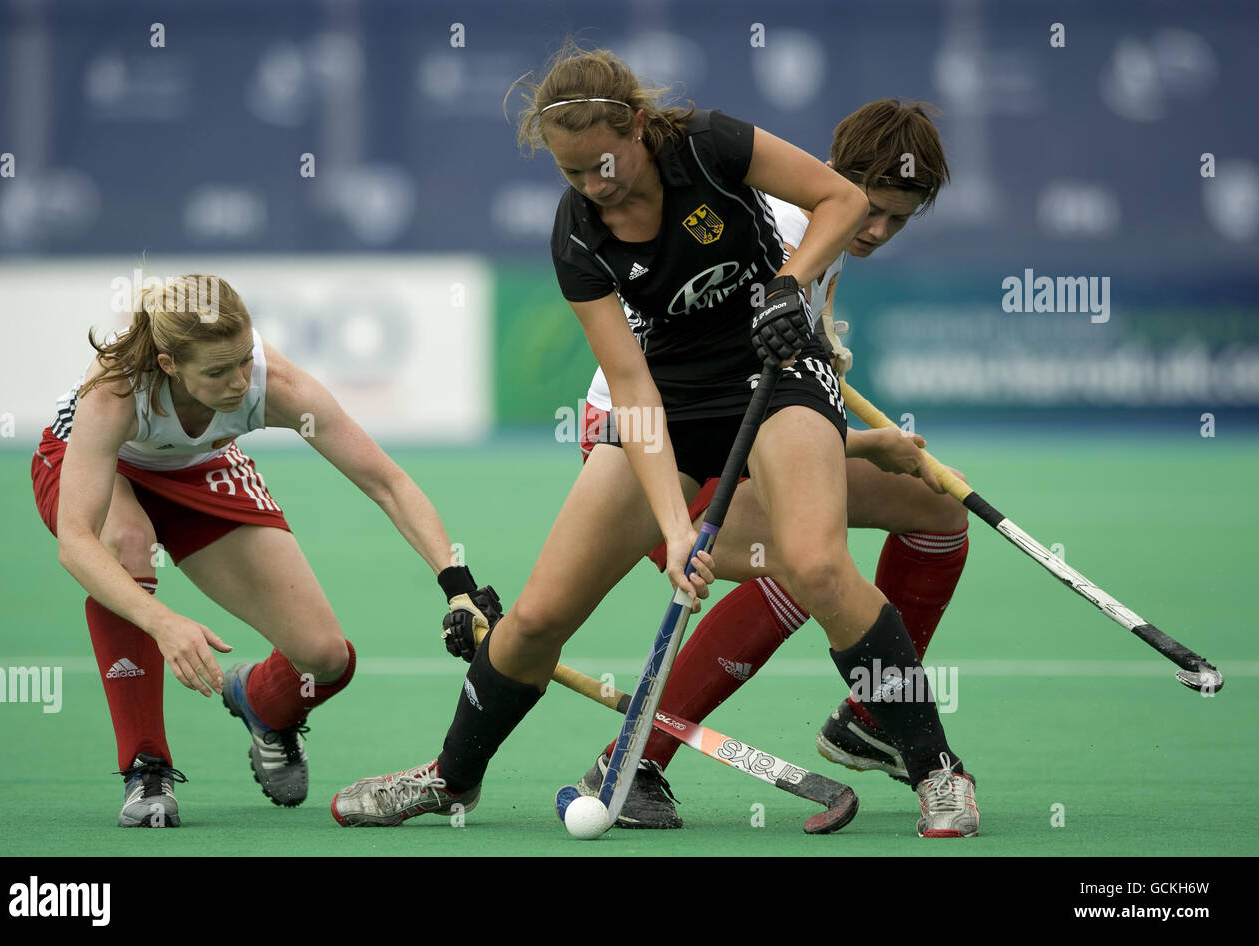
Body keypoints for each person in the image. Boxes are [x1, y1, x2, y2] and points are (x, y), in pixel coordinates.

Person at [332, 45, 977, 838]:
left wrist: (787, 284)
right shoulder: (579, 237)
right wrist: (676, 527)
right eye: (573, 175)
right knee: (535, 619)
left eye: (603, 164)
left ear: (637, 127)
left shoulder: (709, 146)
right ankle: (450, 779)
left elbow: (839, 200)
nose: (595, 186)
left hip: (775, 378)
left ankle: (935, 771)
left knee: (815, 559)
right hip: (665, 403)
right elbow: (632, 390)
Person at [563, 100, 972, 829]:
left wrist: (862, 444)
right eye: (872, 209)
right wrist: (854, 444)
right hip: (650, 460)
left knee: (934, 511)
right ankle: (635, 757)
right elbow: (721, 412)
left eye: (898, 220)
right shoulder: (781, 226)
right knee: (807, 556)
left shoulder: (822, 235)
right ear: (837, 177)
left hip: (727, 444)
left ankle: (871, 720)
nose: (876, 230)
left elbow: (777, 410)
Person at [32, 274, 495, 826]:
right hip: (97, 468)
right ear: (169, 365)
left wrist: (458, 586)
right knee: (126, 541)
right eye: (217, 372)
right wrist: (162, 622)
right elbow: (77, 543)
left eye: (244, 361)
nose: (238, 383)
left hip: (200, 468)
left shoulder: (277, 388)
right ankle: (145, 768)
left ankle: (261, 702)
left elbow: (386, 483)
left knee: (325, 658)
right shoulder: (114, 392)